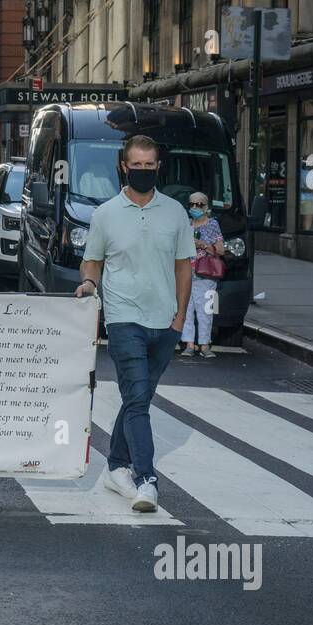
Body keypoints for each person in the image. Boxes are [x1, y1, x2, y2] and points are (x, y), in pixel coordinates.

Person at [75, 134, 193, 513]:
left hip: (165, 320)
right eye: (136, 165)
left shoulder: (176, 212)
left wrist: (179, 319)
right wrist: (90, 282)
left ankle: (115, 466)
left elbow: (184, 267)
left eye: (149, 165)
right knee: (139, 401)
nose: (142, 171)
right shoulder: (105, 214)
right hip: (124, 318)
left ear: (158, 166)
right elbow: (92, 261)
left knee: (137, 397)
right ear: (124, 167)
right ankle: (146, 479)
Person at [179, 191, 225, 358]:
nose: (195, 207)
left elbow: (220, 250)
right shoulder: (186, 225)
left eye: (199, 204)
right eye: (192, 204)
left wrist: (203, 245)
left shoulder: (212, 224)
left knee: (205, 311)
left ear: (207, 207)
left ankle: (204, 345)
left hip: (206, 275)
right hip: (186, 274)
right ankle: (189, 344)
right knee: (186, 310)